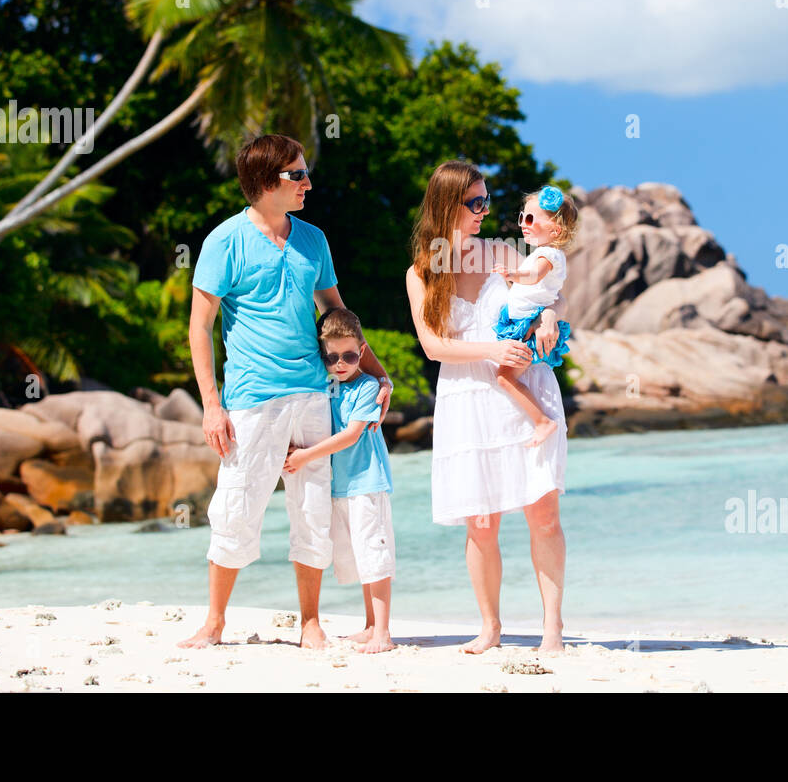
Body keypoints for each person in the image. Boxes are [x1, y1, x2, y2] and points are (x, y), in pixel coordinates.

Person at [180, 133, 392, 650]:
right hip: (251, 398)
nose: (306, 183)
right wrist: (212, 405)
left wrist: (379, 375)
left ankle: (310, 622)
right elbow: (199, 326)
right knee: (236, 506)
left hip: (313, 396)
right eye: (295, 175)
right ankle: (214, 622)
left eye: (304, 173)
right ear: (263, 182)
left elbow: (338, 318)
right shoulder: (224, 241)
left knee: (314, 509)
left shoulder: (313, 240)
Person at [404, 160, 569, 654]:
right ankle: (490, 628)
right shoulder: (421, 272)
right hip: (467, 398)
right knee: (481, 523)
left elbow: (552, 295)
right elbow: (432, 346)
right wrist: (490, 351)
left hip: (524, 389)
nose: (485, 211)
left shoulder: (503, 252)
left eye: (487, 201)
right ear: (446, 205)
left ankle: (553, 630)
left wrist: (550, 319)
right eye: (475, 203)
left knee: (543, 515)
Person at [284, 307, 396, 654]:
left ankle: (383, 633)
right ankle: (370, 625)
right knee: (359, 556)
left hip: (367, 482)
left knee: (374, 555)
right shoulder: (328, 386)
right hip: (341, 485)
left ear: (362, 351)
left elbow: (351, 435)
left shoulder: (367, 387)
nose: (340, 364)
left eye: (348, 356)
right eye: (331, 357)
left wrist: (304, 455)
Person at [490, 185, 577, 447]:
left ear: (555, 229)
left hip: (527, 327)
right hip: (523, 322)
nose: (523, 224)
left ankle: (542, 421)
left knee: (505, 377)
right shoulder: (542, 253)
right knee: (508, 375)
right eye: (522, 217)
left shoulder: (548, 255)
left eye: (530, 219)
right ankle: (537, 420)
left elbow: (534, 277)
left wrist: (512, 275)